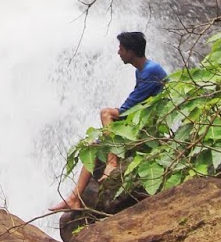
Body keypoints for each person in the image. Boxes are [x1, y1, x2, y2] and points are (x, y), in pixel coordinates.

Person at [51, 30, 168, 212]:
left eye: (121, 48)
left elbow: (130, 108)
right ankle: (75, 198)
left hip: (147, 125)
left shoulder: (151, 71)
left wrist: (115, 115)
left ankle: (111, 163)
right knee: (93, 147)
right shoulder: (143, 70)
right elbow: (135, 104)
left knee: (106, 113)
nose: (118, 52)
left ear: (130, 51)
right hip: (140, 121)